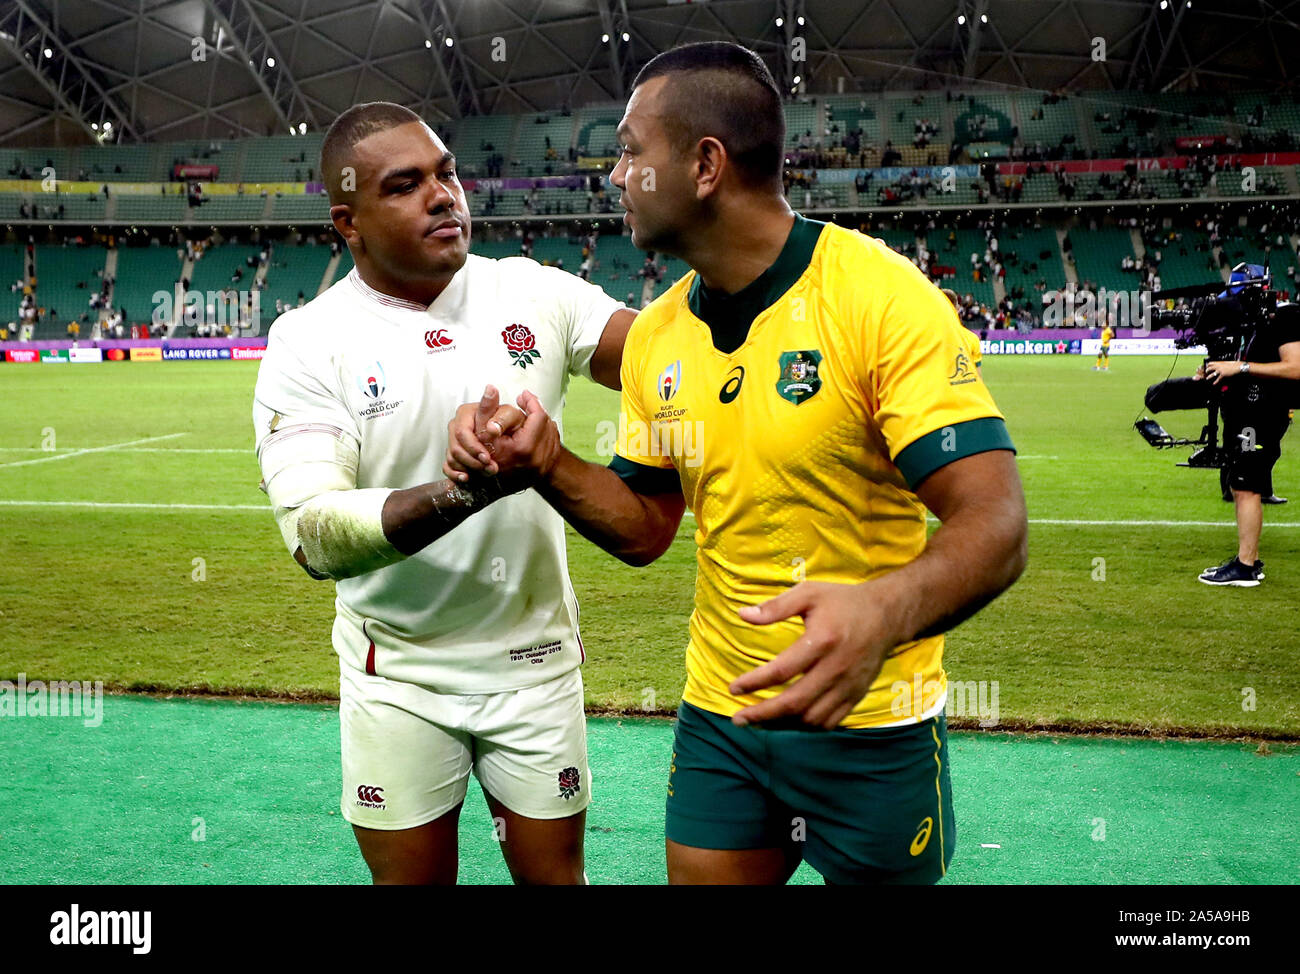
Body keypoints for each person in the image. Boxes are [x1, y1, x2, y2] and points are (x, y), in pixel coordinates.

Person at [445, 42, 1028, 885]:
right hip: (723, 714)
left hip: (871, 722)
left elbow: (996, 522)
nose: (614, 175)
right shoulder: (656, 336)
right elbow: (646, 525)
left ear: (706, 164)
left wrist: (881, 614)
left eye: (629, 150)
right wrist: (546, 461)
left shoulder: (880, 298)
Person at [251, 101, 635, 884]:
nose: (443, 195)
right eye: (405, 185)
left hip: (533, 662)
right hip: (396, 673)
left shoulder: (535, 291)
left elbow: (670, 365)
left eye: (447, 172)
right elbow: (314, 534)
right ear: (347, 221)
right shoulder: (306, 341)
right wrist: (461, 491)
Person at [1196, 294, 1300, 586]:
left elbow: (1296, 367)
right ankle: (1249, 562)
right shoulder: (1256, 326)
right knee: (1242, 485)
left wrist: (1241, 368)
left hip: (1262, 418)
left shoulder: (1285, 319)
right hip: (1250, 416)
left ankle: (1245, 567)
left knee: (1246, 486)